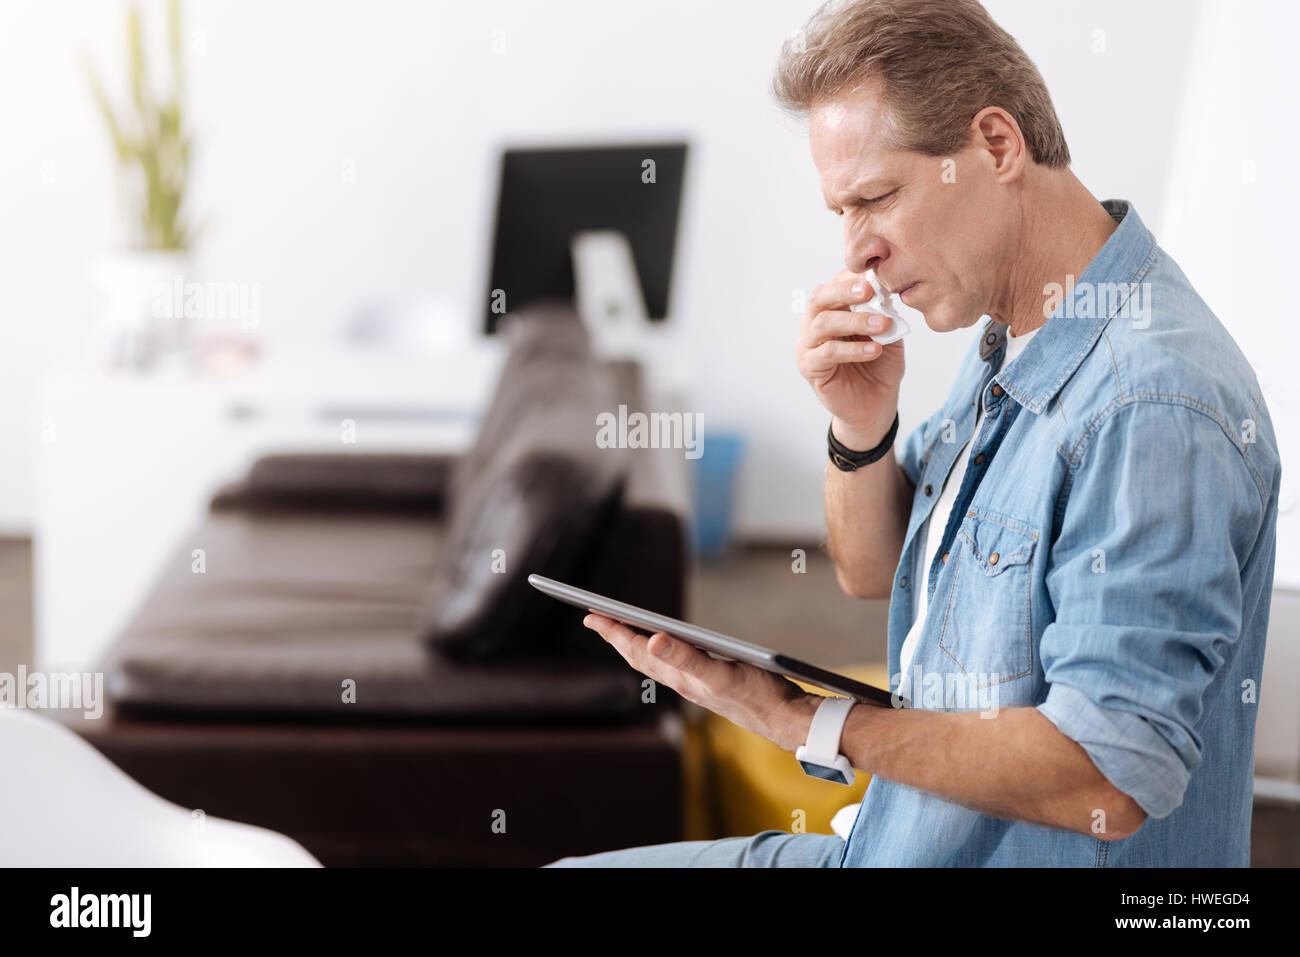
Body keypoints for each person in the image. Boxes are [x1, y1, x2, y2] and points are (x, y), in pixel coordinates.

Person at [548, 0, 1280, 867]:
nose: (857, 251)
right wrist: (860, 425)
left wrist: (807, 720)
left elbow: (1108, 776)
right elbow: (873, 569)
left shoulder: (1150, 404)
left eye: (876, 198)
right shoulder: (1020, 330)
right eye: (841, 212)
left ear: (997, 145)